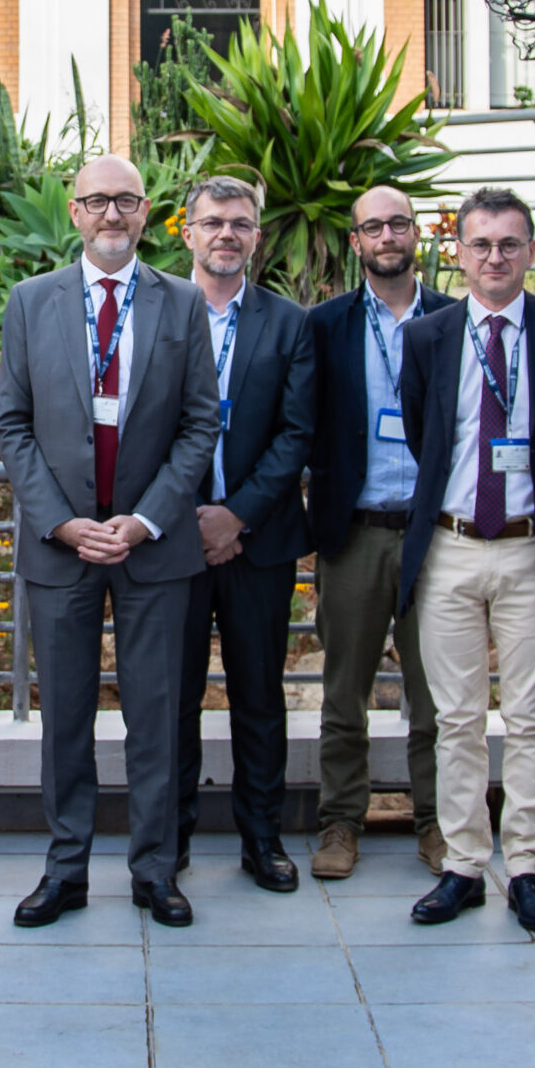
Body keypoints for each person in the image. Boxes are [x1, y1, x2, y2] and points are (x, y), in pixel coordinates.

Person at [0, 154, 222, 930]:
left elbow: (200, 424)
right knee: (65, 716)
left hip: (151, 546)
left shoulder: (182, 302)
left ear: (148, 210)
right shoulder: (30, 302)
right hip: (62, 545)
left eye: (127, 201)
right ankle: (65, 871)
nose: (112, 215)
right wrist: (59, 520)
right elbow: (14, 425)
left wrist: (148, 518)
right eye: (97, 201)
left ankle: (156, 870)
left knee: (156, 714)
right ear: (74, 209)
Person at [399, 187, 535, 935]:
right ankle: (462, 866)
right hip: (450, 549)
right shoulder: (428, 337)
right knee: (455, 719)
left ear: (529, 250)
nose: (495, 257)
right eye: (481, 244)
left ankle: (525, 868)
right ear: (456, 252)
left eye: (510, 244)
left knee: (528, 721)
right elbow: (428, 439)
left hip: (529, 550)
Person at [303, 184, 455, 881]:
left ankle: (437, 824)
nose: (388, 235)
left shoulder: (455, 320)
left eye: (399, 223)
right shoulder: (325, 325)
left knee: (437, 698)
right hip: (355, 531)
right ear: (355, 240)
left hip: (437, 536)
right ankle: (340, 822)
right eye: (374, 226)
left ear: (416, 234)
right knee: (344, 695)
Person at [173, 176, 314, 893]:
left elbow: (296, 433)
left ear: (258, 235)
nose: (226, 234)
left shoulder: (290, 323)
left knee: (259, 695)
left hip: (259, 541)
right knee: (174, 697)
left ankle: (263, 839)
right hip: (175, 540)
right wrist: (190, 514)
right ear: (187, 232)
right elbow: (142, 428)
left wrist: (237, 515)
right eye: (213, 222)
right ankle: (170, 840)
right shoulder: (159, 312)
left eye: (241, 223)